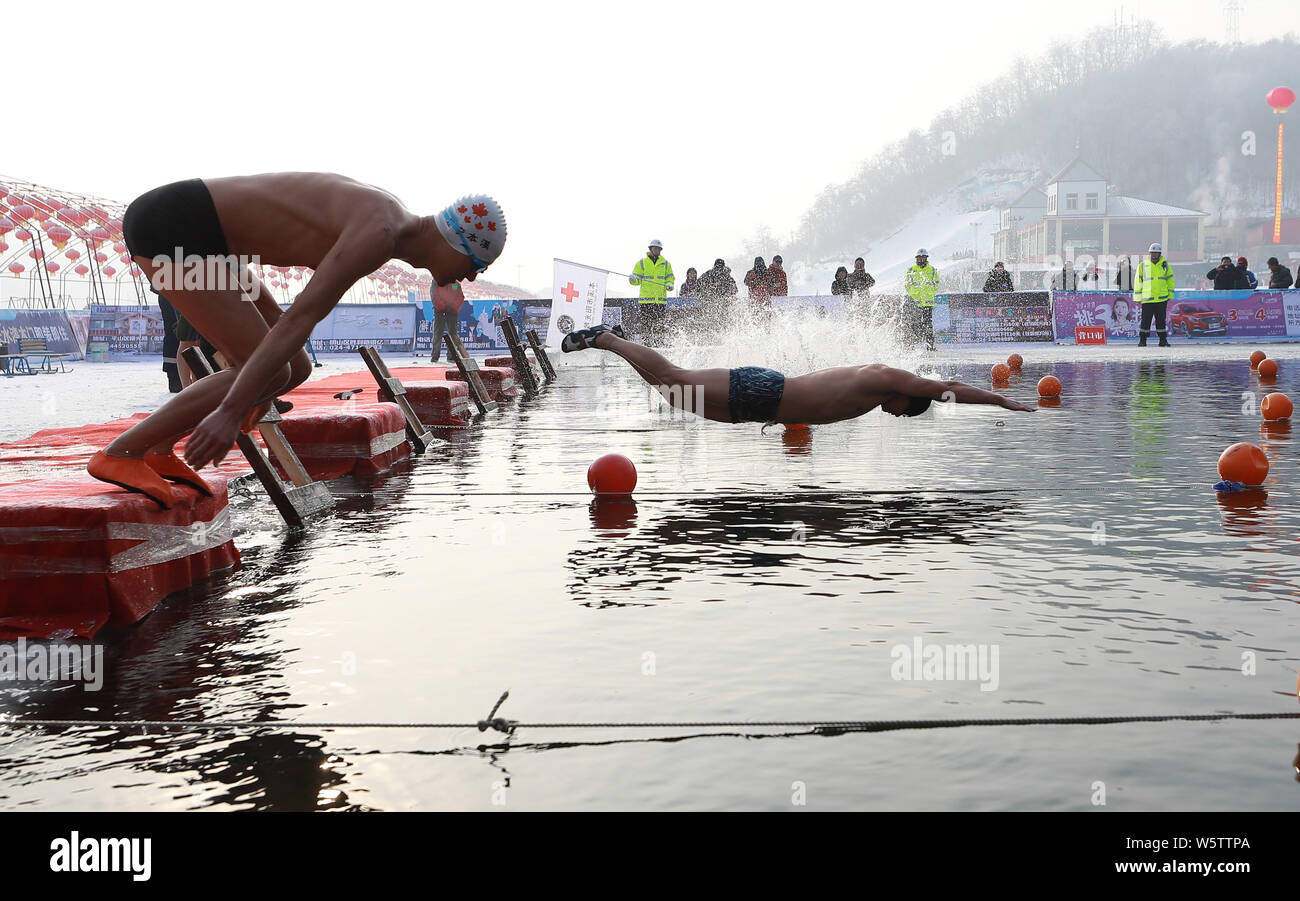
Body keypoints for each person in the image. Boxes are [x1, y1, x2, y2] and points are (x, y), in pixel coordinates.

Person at [86, 174, 505, 507]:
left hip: (210, 245)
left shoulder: (387, 218)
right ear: (456, 242)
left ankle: (159, 448)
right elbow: (300, 318)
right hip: (173, 232)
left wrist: (249, 398)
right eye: (476, 265)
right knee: (264, 367)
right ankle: (122, 454)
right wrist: (231, 410)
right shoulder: (380, 231)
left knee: (296, 368)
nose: (471, 277)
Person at [558, 324, 1035, 424]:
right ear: (907, 397)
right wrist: (1000, 401)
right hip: (765, 387)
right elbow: (947, 389)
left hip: (763, 407)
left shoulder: (876, 391)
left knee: (674, 397)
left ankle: (615, 343)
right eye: (903, 412)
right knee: (674, 379)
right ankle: (609, 339)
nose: (894, 415)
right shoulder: (886, 378)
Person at [630, 239, 674, 345]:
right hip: (646, 300)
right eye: (655, 248)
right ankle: (646, 345)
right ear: (650, 249)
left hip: (660, 300)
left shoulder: (666, 264)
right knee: (646, 325)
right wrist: (633, 280)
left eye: (659, 249)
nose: (657, 250)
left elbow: (670, 278)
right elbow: (636, 279)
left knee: (659, 325)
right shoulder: (642, 263)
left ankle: (659, 344)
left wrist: (670, 285)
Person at [1135, 242, 1174, 347]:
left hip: (1161, 298)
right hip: (1147, 299)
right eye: (1152, 252)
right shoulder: (1143, 265)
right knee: (1145, 321)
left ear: (1160, 253)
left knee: (1161, 321)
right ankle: (1142, 340)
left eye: (1156, 253)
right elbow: (1138, 282)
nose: (1154, 255)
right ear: (1149, 253)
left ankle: (1163, 340)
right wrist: (1138, 297)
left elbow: (1170, 280)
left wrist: (1170, 295)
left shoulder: (1165, 265)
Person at [904, 248, 940, 351]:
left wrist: (929, 293)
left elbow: (936, 284)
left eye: (923, 258)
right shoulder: (911, 270)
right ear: (916, 259)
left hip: (927, 303)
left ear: (926, 258)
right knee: (915, 325)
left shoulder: (932, 270)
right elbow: (907, 285)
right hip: (915, 303)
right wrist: (915, 295)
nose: (921, 260)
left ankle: (930, 346)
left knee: (928, 325)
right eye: (919, 258)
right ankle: (912, 346)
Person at [429, 278, 465, 362]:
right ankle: (435, 356)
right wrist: (443, 307)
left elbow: (461, 297)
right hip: (440, 312)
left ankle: (451, 356)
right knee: (438, 334)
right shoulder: (436, 281)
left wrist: (453, 307)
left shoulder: (456, 284)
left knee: (453, 334)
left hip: (452, 313)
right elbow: (434, 296)